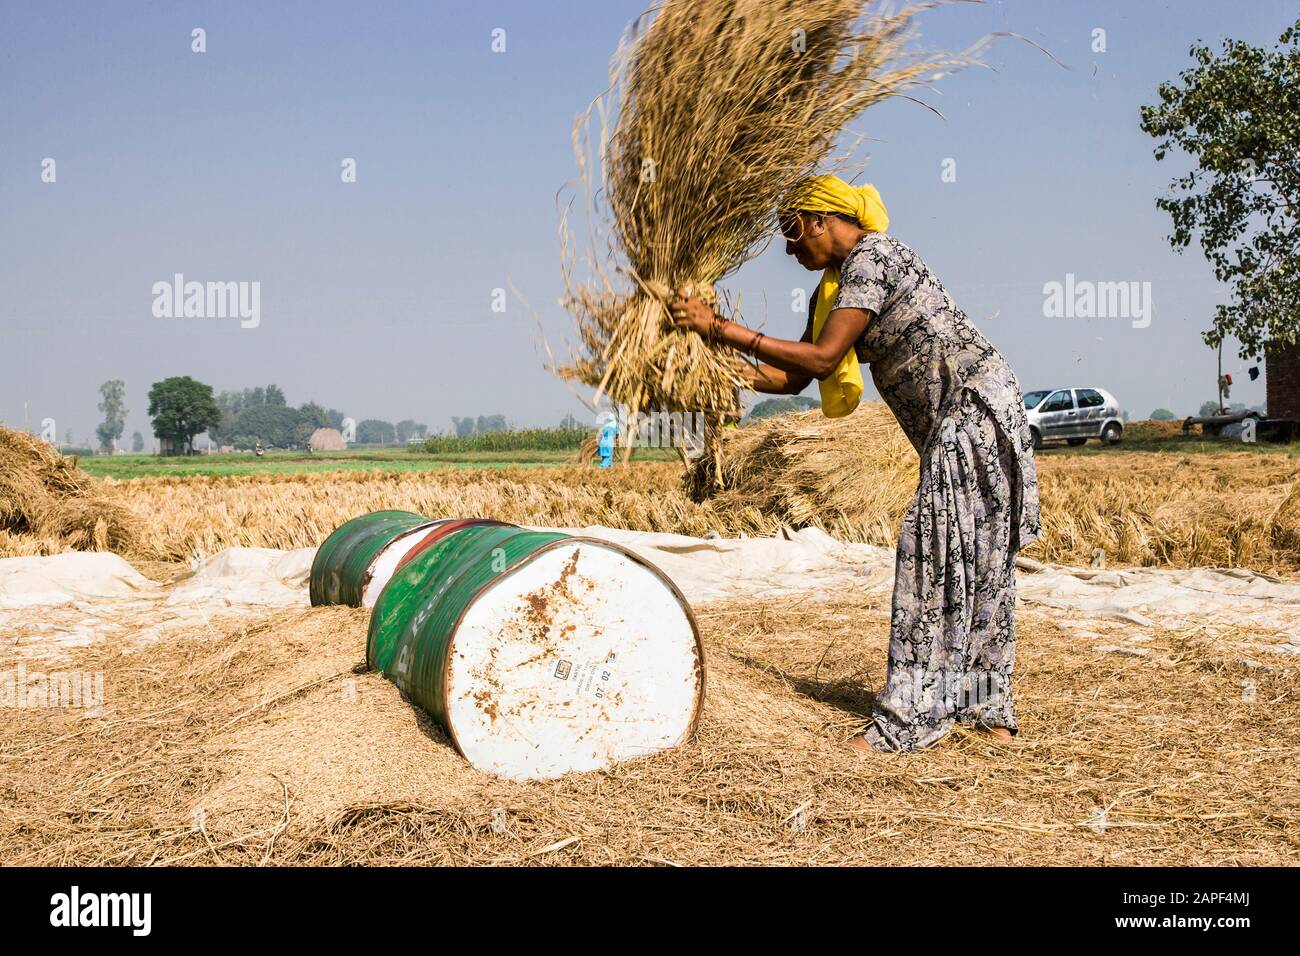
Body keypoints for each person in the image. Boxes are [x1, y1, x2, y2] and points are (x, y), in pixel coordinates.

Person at [668, 174, 1040, 751]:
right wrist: (712, 369)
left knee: (936, 552)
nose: (790, 249)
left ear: (821, 219)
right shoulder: (838, 288)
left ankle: (910, 718)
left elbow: (821, 357)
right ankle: (985, 710)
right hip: (971, 415)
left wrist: (716, 326)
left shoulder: (873, 258)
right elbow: (793, 377)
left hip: (974, 407)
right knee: (972, 555)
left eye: (793, 233)